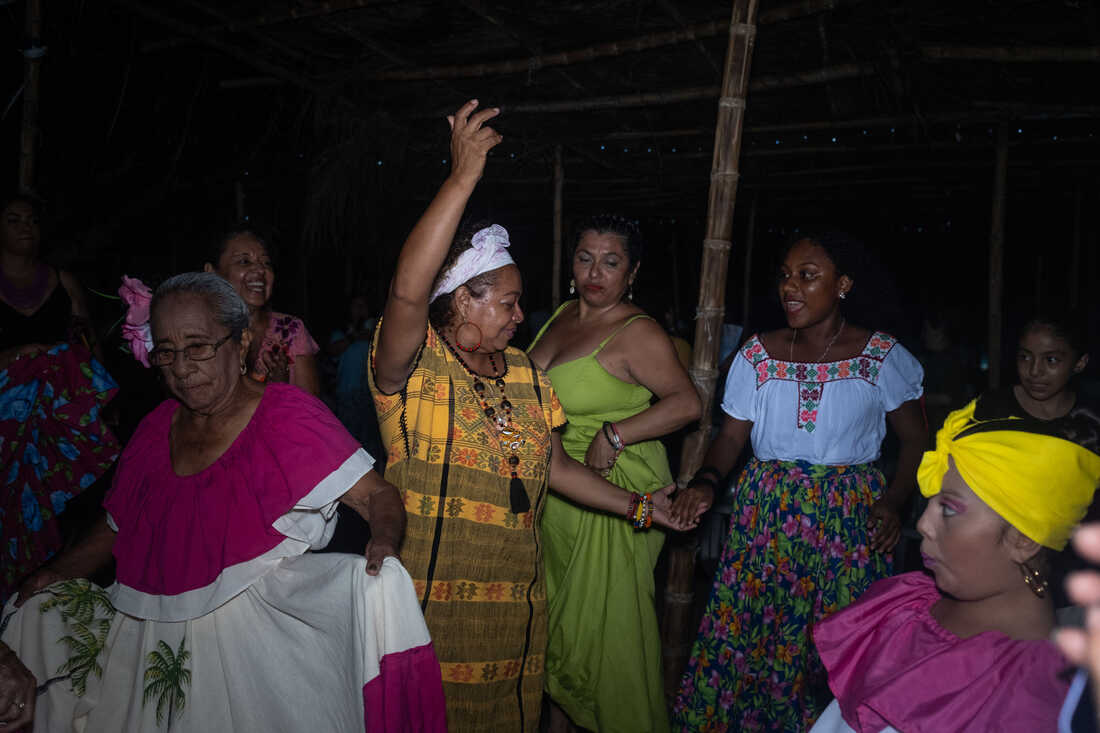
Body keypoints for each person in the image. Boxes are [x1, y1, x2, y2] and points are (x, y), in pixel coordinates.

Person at [368, 99, 697, 733]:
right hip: (432, 603)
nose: (523, 317)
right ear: (462, 299)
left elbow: (555, 465)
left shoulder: (522, 372)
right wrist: (463, 177)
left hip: (517, 610)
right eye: (509, 303)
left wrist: (640, 509)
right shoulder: (414, 370)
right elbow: (408, 292)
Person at [1, 272, 445, 732]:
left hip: (260, 648)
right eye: (167, 352)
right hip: (156, 645)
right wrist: (58, 572)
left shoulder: (285, 416)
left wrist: (384, 541)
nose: (181, 368)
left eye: (197, 347)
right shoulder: (155, 429)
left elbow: (376, 495)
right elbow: (117, 525)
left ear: (241, 342)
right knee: (33, 618)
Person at [671, 232, 927, 731]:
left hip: (848, 520)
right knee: (755, 633)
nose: (791, 287)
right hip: (768, 516)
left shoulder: (880, 356)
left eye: (808, 276)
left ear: (843, 284)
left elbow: (916, 441)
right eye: (786, 276)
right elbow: (731, 437)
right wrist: (705, 482)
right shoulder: (757, 355)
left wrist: (894, 502)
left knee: (837, 643)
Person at [810, 399, 1100, 733]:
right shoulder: (904, 606)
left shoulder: (1030, 695)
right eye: (930, 502)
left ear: (1024, 540)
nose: (923, 524)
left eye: (948, 509)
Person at [527, 214, 701, 733]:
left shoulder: (637, 331)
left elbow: (687, 403)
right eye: (585, 259)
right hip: (558, 489)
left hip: (613, 488)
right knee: (563, 630)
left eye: (610, 262)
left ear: (632, 271)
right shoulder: (562, 315)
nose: (594, 273)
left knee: (608, 638)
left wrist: (615, 434)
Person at [0, 193, 120, 603]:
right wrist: (16, 357)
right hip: (7, 422)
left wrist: (103, 401)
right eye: (14, 219)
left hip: (61, 422)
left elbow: (87, 344)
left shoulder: (62, 281)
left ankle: (56, 595)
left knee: (70, 508)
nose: (25, 227)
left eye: (32, 220)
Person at [204, 227, 321, 395]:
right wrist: (271, 390)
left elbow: (310, 408)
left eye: (266, 263)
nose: (260, 270)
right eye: (244, 261)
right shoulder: (198, 333)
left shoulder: (290, 331)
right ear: (212, 273)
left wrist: (281, 390)